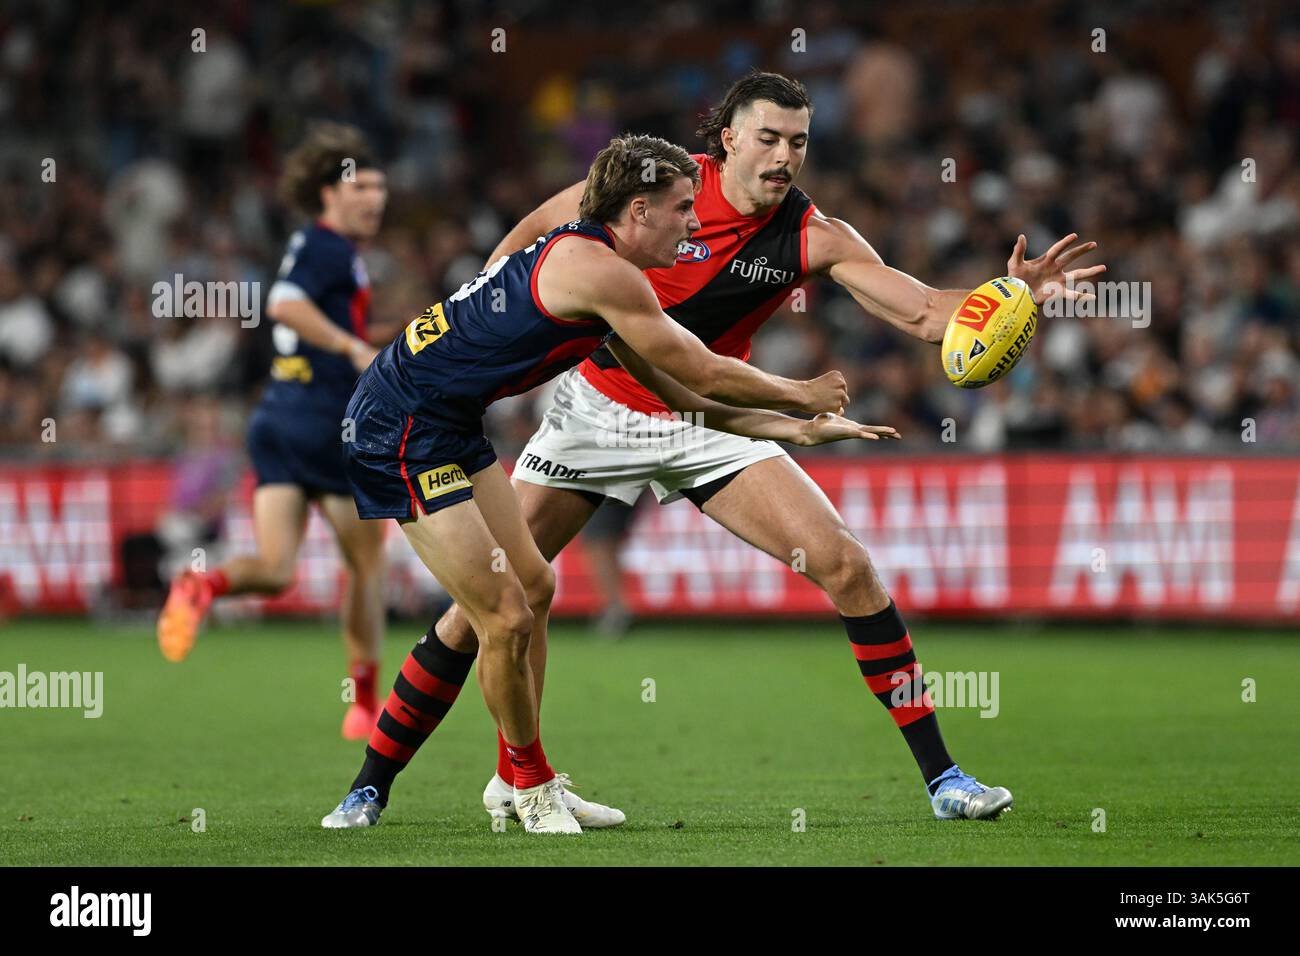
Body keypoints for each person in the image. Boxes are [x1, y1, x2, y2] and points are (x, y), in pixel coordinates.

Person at [416, 72, 1106, 824]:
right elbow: (534, 229)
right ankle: (379, 783)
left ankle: (947, 780)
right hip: (603, 413)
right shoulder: (660, 187)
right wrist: (486, 293)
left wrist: (1008, 299)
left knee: (846, 564)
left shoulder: (814, 236)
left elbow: (925, 314)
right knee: (496, 600)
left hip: (713, 419)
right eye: (769, 138)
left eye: (799, 141)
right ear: (729, 139)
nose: (784, 156)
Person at [320, 133, 898, 834]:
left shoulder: (605, 270)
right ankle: (511, 788)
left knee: (534, 588)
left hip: (448, 422)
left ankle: (500, 783)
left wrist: (790, 429)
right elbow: (706, 368)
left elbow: (682, 390)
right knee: (502, 614)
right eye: (683, 209)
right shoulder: (603, 274)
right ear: (638, 209)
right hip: (398, 431)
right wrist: (802, 393)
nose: (694, 225)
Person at [156, 123, 392, 741]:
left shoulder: (314, 246)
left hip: (277, 418)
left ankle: (202, 583)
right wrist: (350, 346)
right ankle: (364, 702)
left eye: (379, 187)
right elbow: (283, 304)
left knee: (276, 567)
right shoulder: (329, 248)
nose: (375, 198)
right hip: (329, 423)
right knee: (366, 566)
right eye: (360, 187)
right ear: (326, 193)